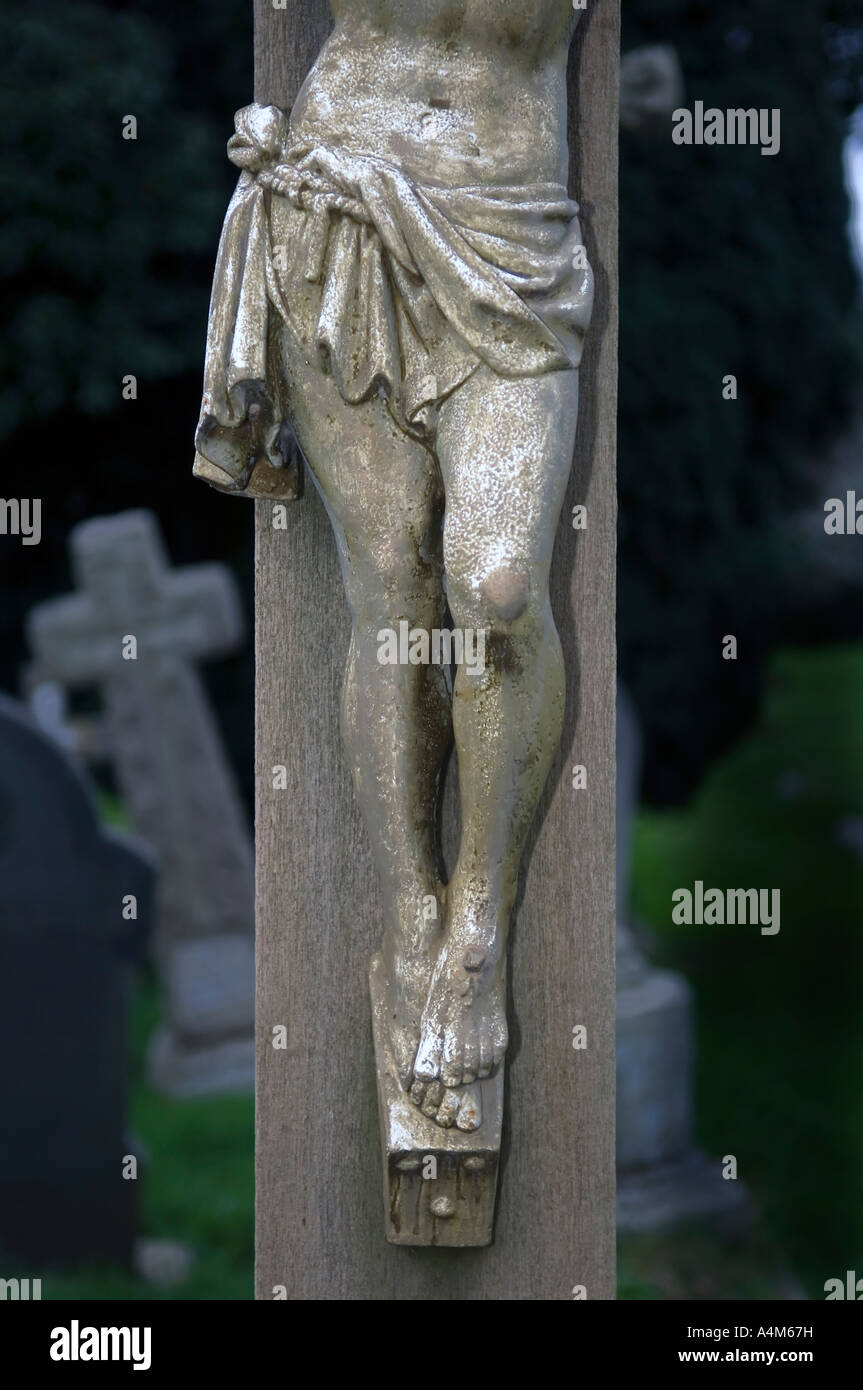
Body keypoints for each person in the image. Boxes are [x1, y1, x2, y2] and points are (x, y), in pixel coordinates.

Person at [194, 0, 592, 1132]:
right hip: (336, 217)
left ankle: (478, 926)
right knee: (390, 590)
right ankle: (412, 914)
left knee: (497, 585)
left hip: (508, 239)